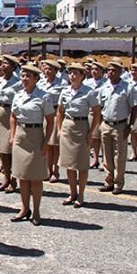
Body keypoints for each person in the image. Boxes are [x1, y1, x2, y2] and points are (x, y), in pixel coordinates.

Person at [9, 64, 55, 226]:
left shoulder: (44, 96)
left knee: (35, 178)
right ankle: (24, 208)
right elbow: (13, 116)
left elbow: (50, 120)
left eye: (28, 76)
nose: (24, 79)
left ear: (36, 78)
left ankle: (36, 210)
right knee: (22, 176)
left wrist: (46, 141)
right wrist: (12, 136)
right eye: (23, 76)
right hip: (21, 137)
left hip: (35, 137)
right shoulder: (18, 95)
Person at [57, 63, 101, 208]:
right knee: (69, 164)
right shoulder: (65, 91)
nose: (72, 76)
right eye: (70, 73)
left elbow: (96, 112)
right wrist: (59, 130)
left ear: (82, 76)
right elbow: (60, 111)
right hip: (68, 126)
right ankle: (72, 192)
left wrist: (91, 132)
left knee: (82, 164)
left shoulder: (89, 92)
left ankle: (81, 194)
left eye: (76, 73)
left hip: (82, 126)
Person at [98, 62, 137, 194]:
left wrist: (130, 125)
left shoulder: (127, 88)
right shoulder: (104, 87)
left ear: (120, 72)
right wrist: (100, 124)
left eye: (114, 71)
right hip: (106, 124)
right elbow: (99, 107)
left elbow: (135, 107)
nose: (111, 73)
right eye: (109, 70)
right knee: (106, 155)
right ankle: (108, 181)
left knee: (119, 156)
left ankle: (118, 183)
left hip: (120, 125)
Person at [0, 55, 22, 193]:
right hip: (0, 113)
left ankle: (13, 180)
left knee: (11, 149)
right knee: (2, 149)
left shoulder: (18, 82)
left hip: (12, 113)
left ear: (13, 67)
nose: (2, 65)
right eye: (2, 63)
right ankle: (6, 177)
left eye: (6, 64)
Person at [38, 59, 65, 182]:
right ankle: (47, 169)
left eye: (50, 69)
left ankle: (56, 170)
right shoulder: (41, 82)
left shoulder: (62, 83)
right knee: (47, 144)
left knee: (55, 145)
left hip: (55, 114)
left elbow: (63, 103)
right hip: (43, 115)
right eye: (46, 69)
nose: (47, 71)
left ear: (56, 71)